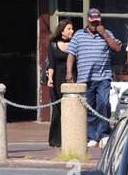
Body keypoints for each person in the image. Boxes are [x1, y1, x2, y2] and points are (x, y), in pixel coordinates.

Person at [66, 8, 121, 148]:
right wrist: (69, 73)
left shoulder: (107, 33)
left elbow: (117, 48)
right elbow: (71, 54)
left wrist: (105, 35)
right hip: (85, 77)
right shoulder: (78, 35)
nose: (95, 25)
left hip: (103, 76)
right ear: (87, 21)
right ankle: (92, 136)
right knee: (89, 107)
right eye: (92, 22)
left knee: (103, 103)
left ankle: (104, 133)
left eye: (97, 22)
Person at [45, 18, 74, 148]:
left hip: (71, 79)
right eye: (69, 29)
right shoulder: (52, 44)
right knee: (57, 111)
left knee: (71, 110)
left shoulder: (74, 43)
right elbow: (51, 63)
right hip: (56, 80)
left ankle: (70, 138)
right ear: (62, 31)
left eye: (72, 29)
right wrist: (50, 79)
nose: (71, 31)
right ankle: (55, 140)